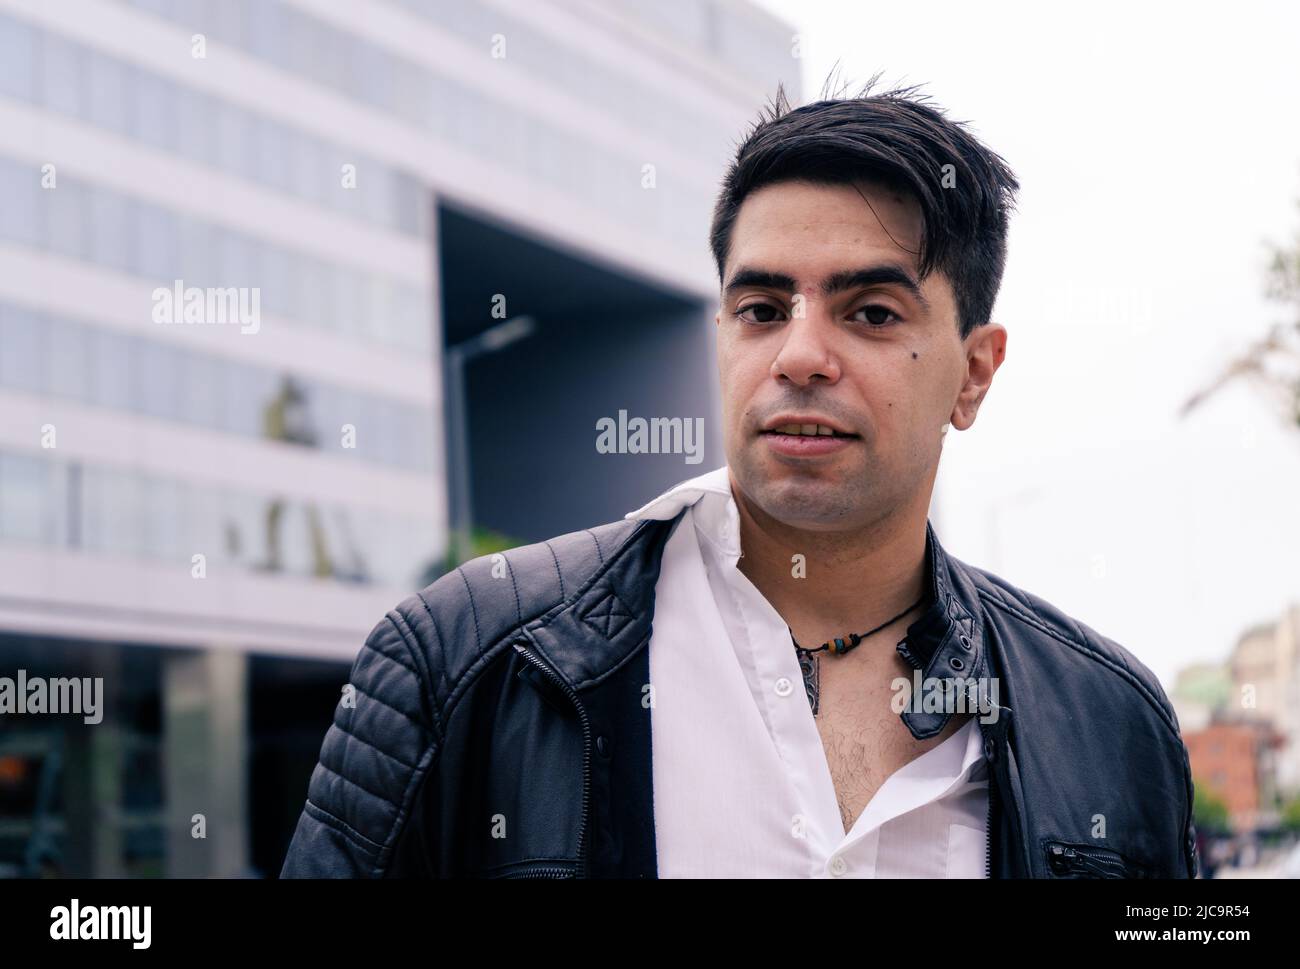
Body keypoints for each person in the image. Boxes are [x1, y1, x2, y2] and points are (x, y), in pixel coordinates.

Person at [281, 80, 1197, 879]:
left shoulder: (1110, 724)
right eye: (760, 309)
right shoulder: (467, 663)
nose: (799, 354)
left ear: (974, 373)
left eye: (871, 312)